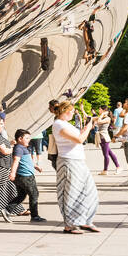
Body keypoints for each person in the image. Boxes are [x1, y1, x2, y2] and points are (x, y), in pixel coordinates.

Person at [51, 100, 99, 233]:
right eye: (71, 111)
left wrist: (88, 126)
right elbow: (79, 139)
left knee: (88, 191)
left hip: (78, 160)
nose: (73, 114)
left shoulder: (65, 124)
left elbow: (79, 135)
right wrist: (89, 127)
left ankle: (85, 220)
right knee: (71, 192)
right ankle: (70, 224)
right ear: (66, 112)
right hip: (68, 161)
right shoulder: (58, 124)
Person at [7, 128, 43, 222]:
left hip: (22, 176)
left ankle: (7, 209)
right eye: (26, 138)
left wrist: (35, 166)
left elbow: (26, 161)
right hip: (25, 176)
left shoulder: (22, 148)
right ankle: (35, 216)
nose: (29, 140)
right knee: (34, 194)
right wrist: (12, 173)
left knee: (22, 195)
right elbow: (16, 160)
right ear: (20, 139)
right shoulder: (19, 148)